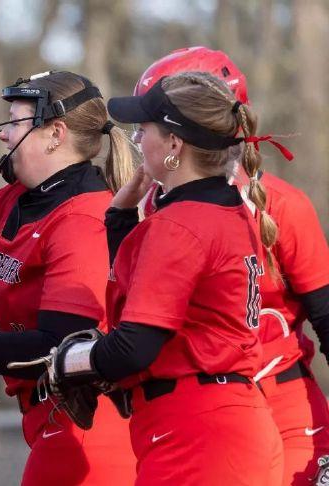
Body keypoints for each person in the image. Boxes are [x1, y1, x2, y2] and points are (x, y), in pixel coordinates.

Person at [45, 71, 285, 484]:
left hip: (198, 437)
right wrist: (120, 219)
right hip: (224, 425)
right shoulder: (227, 210)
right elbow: (145, 296)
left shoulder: (178, 224)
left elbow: (134, 348)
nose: (137, 141)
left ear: (174, 144)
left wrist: (67, 361)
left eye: (144, 130)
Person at [0, 70, 137, 485]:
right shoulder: (17, 200)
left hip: (88, 425)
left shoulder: (84, 217)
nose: (5, 135)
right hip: (50, 416)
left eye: (16, 122)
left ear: (55, 134)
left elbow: (59, 348)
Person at [134, 46, 329, 485]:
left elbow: (327, 316)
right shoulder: (147, 210)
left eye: (151, 123)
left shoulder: (279, 205)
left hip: (285, 407)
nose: (142, 137)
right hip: (193, 415)